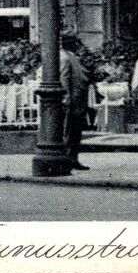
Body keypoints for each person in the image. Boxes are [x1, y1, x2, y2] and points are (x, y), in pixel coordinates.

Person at [60, 35, 92, 171]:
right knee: (69, 131)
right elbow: (64, 77)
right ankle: (67, 159)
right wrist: (66, 97)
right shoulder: (64, 57)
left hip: (78, 100)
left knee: (75, 132)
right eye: (75, 43)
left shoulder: (71, 56)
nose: (77, 45)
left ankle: (73, 158)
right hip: (72, 100)